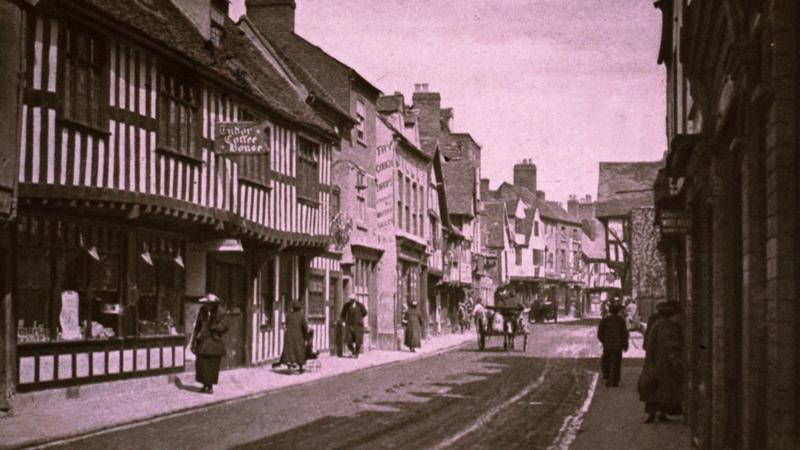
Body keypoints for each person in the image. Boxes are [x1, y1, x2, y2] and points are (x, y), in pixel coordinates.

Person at [641, 301, 683, 423]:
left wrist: (649, 361)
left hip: (656, 361)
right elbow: (678, 344)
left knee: (653, 387)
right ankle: (663, 414)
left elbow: (650, 345)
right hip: (669, 362)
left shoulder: (656, 325)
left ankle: (651, 414)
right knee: (666, 388)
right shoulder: (674, 326)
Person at [191, 293, 228, 394]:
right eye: (206, 304)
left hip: (214, 342)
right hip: (203, 341)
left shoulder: (220, 312)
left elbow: (225, 327)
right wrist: (193, 341)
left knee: (212, 365)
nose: (207, 306)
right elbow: (197, 327)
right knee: (202, 364)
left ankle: (210, 386)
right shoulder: (202, 311)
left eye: (209, 304)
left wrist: (215, 327)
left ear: (213, 304)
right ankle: (204, 385)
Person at [597, 302, 629, 387]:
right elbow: (624, 334)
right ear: (618, 311)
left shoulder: (604, 320)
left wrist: (604, 341)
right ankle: (616, 379)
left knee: (606, 361)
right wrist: (625, 344)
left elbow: (600, 333)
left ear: (610, 311)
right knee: (617, 362)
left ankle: (606, 377)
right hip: (618, 346)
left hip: (607, 345)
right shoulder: (621, 320)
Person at [280, 300, 310, 373]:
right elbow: (305, 327)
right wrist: (307, 333)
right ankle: (300, 366)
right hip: (297, 335)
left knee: (289, 350)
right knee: (299, 350)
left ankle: (289, 365)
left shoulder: (289, 315)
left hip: (288, 335)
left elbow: (287, 324)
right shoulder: (301, 315)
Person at [341, 293, 367, 358]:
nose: (351, 301)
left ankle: (356, 353)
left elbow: (365, 313)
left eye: (352, 300)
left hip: (358, 325)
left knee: (358, 341)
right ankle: (353, 351)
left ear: (355, 300)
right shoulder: (346, 306)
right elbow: (343, 314)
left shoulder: (360, 305)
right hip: (349, 325)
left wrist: (359, 318)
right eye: (350, 299)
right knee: (348, 340)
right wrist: (344, 322)